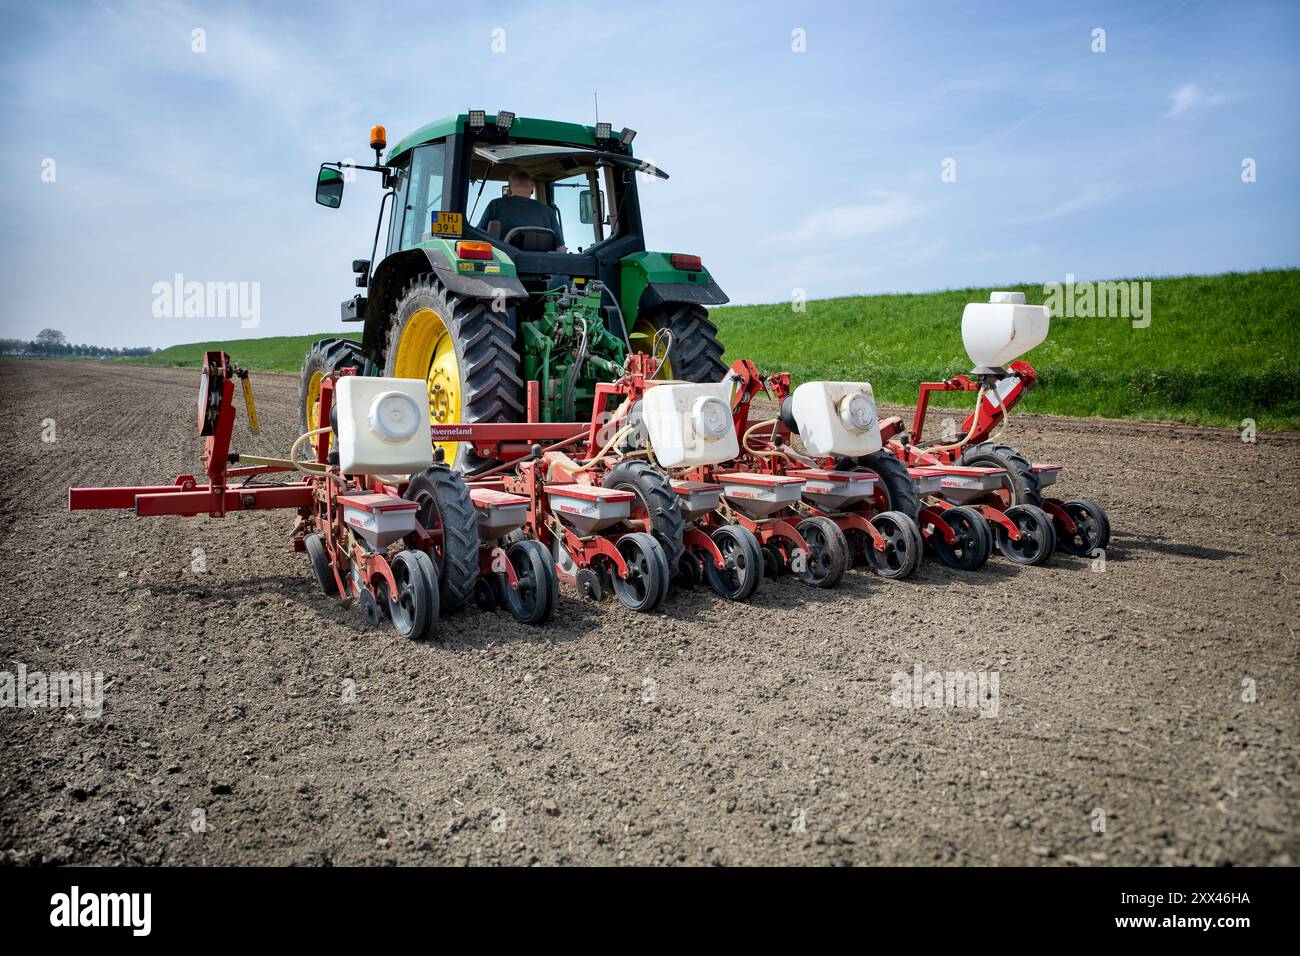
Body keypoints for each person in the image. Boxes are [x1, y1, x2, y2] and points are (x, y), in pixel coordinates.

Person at [476, 171, 567, 253]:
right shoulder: (548, 211)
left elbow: (477, 236)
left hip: (505, 267)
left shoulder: (495, 205)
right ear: (532, 190)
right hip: (541, 268)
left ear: (509, 190)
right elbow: (561, 249)